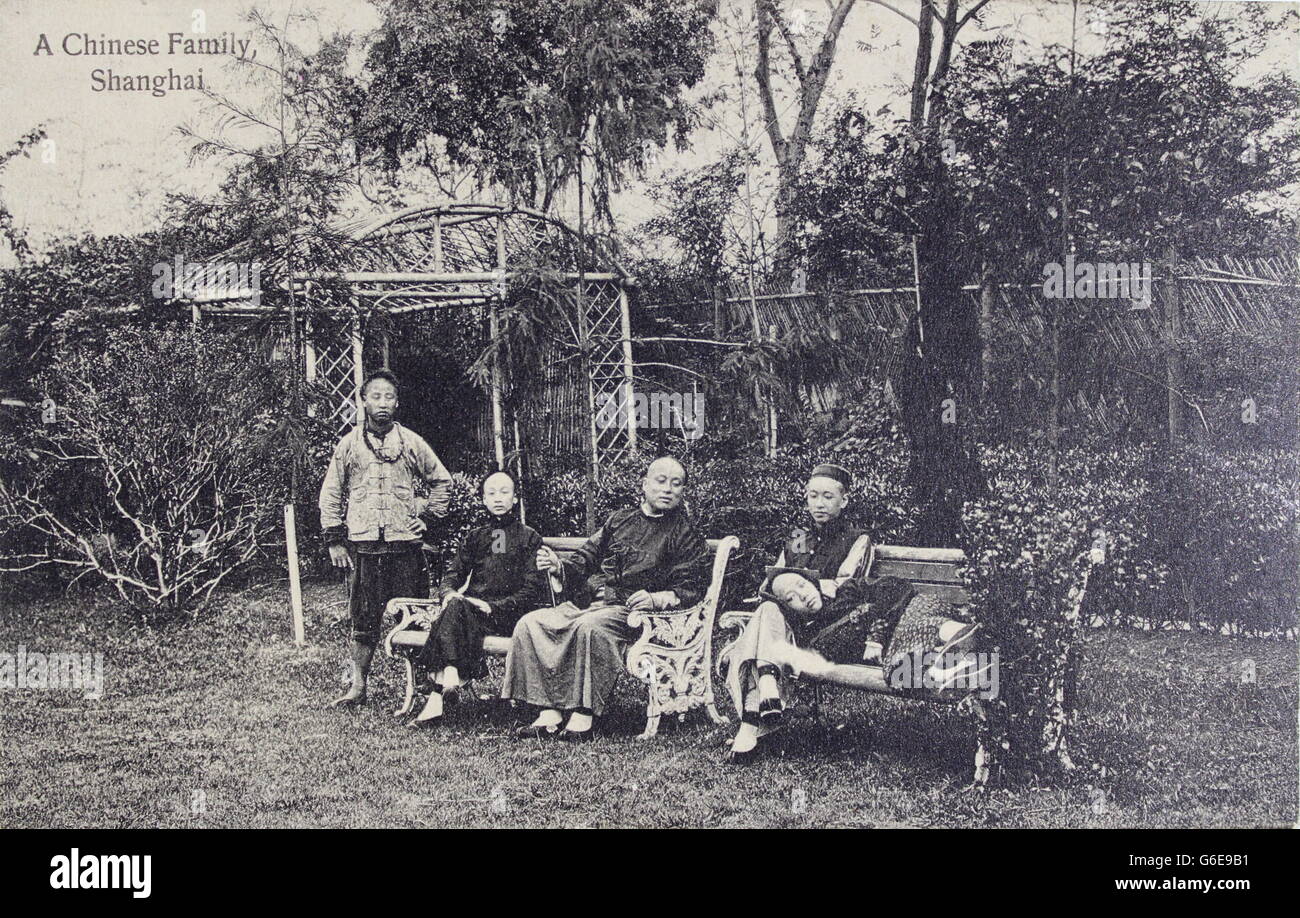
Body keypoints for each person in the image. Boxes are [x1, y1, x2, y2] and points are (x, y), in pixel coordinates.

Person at [502, 456, 710, 742]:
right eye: (660, 481)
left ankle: (583, 715)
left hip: (634, 613)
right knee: (531, 623)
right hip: (591, 603)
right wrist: (558, 566)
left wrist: (657, 598)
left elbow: (690, 586)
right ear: (645, 484)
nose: (667, 489)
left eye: (676, 484)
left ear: (683, 491)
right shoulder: (620, 519)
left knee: (590, 627)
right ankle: (548, 711)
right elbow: (586, 557)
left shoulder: (685, 534)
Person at [319, 369, 453, 707]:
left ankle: (425, 684)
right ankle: (358, 687)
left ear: (397, 403)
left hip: (406, 549)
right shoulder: (349, 445)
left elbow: (442, 481)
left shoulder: (411, 442)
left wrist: (425, 516)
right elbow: (331, 494)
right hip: (364, 549)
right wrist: (335, 539)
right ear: (363, 401)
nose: (382, 403)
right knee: (363, 621)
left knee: (418, 618)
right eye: (375, 396)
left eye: (389, 397)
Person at [723, 462, 871, 760]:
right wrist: (787, 587)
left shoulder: (857, 538)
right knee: (769, 611)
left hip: (827, 627)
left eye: (828, 497)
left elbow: (844, 590)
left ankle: (757, 706)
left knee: (768, 613)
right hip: (784, 626)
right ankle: (758, 709)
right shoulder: (798, 536)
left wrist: (795, 587)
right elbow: (774, 578)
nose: (819, 503)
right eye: (813, 496)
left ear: (844, 500)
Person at [408, 470, 545, 728]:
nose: (498, 498)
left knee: (454, 613)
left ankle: (440, 691)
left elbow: (531, 590)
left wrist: (493, 607)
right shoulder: (475, 537)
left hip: (509, 616)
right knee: (456, 604)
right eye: (491, 493)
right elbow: (452, 575)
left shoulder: (529, 537)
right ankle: (447, 679)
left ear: (515, 498)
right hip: (471, 614)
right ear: (483, 499)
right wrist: (448, 594)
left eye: (505, 492)